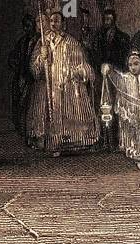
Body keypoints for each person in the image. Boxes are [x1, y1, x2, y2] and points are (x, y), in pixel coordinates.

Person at [24, 11, 100, 154]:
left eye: (57, 21)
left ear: (63, 24)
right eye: (51, 21)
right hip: (48, 87)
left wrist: (73, 74)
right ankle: (50, 142)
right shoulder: (42, 41)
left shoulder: (71, 42)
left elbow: (82, 66)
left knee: (69, 112)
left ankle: (70, 142)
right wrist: (42, 56)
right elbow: (34, 70)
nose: (53, 24)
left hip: (66, 87)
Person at [100, 50, 140, 169]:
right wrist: (108, 68)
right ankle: (137, 159)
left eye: (136, 64)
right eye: (130, 65)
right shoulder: (125, 79)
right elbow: (115, 76)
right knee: (134, 136)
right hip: (132, 114)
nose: (133, 67)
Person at [89, 9, 130, 150]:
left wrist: (112, 67)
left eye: (110, 19)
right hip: (101, 77)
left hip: (115, 77)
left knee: (115, 108)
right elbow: (93, 56)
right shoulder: (97, 37)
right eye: (105, 19)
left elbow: (126, 59)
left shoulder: (123, 38)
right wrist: (100, 65)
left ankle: (115, 140)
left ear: (114, 20)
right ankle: (103, 140)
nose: (107, 22)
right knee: (101, 107)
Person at [7, 13, 39, 133]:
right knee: (19, 101)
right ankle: (20, 128)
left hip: (32, 77)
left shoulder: (39, 40)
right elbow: (14, 56)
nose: (26, 29)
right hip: (21, 75)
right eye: (25, 26)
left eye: (29, 26)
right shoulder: (22, 41)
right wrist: (15, 64)